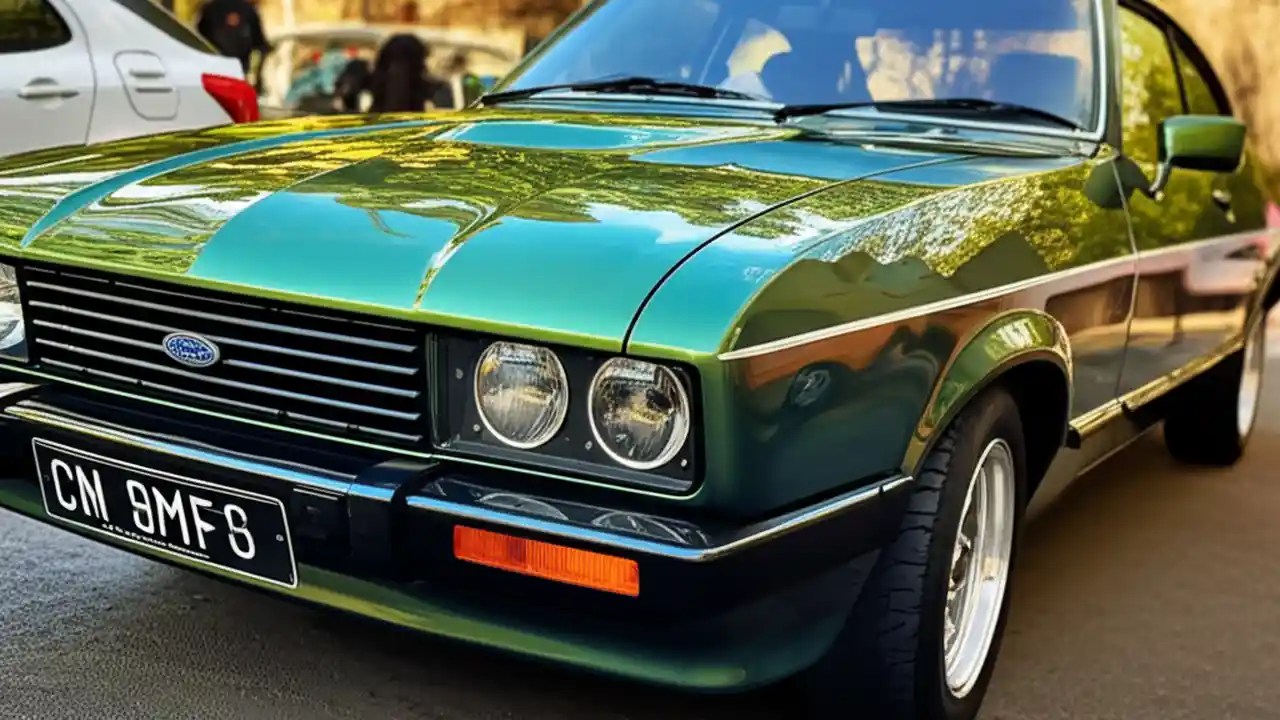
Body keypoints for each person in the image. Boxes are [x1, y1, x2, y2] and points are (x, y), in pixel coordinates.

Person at [197, 0, 270, 76]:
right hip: (238, 69)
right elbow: (259, 43)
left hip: (215, 69)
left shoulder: (209, 8)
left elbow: (199, 40)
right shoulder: (248, 9)